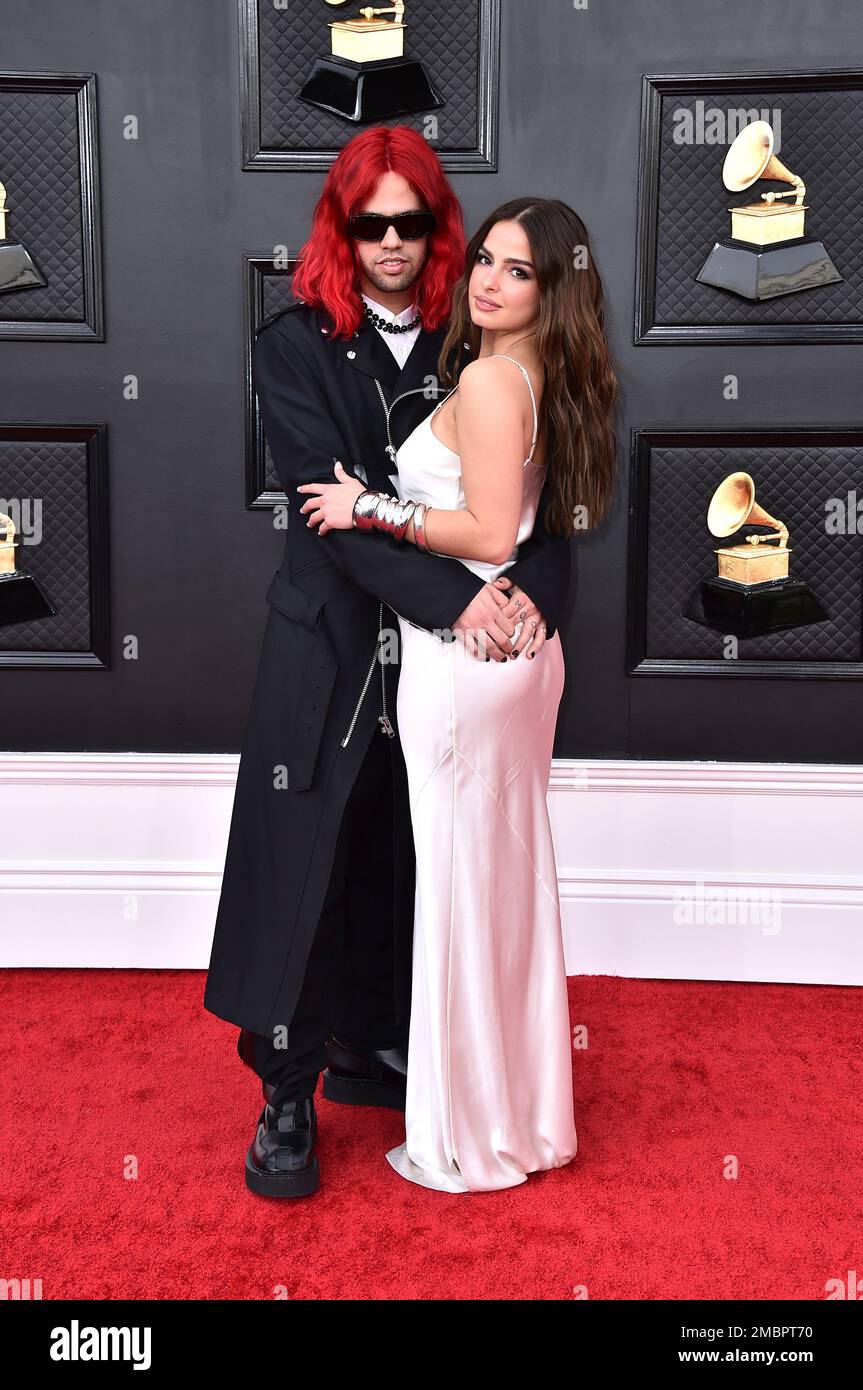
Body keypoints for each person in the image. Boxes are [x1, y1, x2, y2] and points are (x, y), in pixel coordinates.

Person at [202, 126, 574, 1197]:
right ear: (341, 226)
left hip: (447, 675)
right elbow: (342, 521)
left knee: (409, 864)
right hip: (327, 653)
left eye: (413, 222)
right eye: (372, 223)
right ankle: (285, 1090)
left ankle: (378, 1047)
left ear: (438, 228)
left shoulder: (483, 339)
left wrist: (529, 599)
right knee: (303, 871)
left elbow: (539, 509)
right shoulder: (292, 344)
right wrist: (469, 601)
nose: (393, 243)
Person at [298, 196, 618, 1191]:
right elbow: (534, 526)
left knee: (461, 895)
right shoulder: (556, 372)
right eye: (483, 258)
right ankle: (521, 1117)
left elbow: (485, 534)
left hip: (466, 660)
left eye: (516, 270)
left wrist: (368, 505)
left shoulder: (486, 377)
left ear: (549, 287)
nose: (485, 280)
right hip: (519, 659)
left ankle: (469, 1135)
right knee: (506, 888)